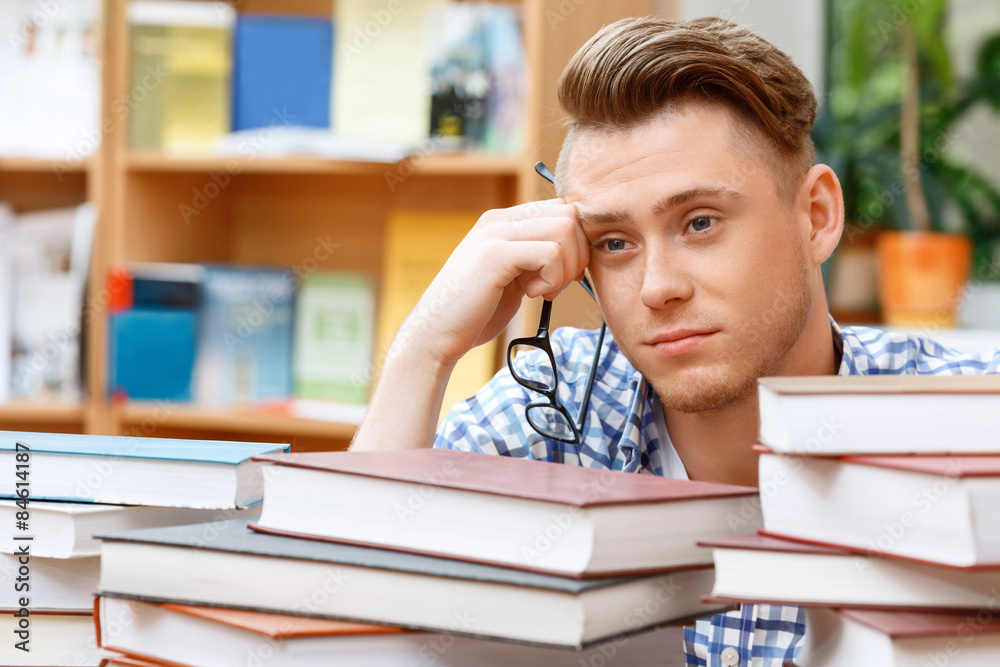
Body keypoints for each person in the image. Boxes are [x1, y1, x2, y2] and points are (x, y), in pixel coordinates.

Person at [351, 16, 1000, 666]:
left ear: (818, 217)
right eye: (614, 242)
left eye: (699, 222)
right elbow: (353, 620)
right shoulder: (553, 413)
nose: (657, 288)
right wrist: (425, 347)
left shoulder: (970, 416)